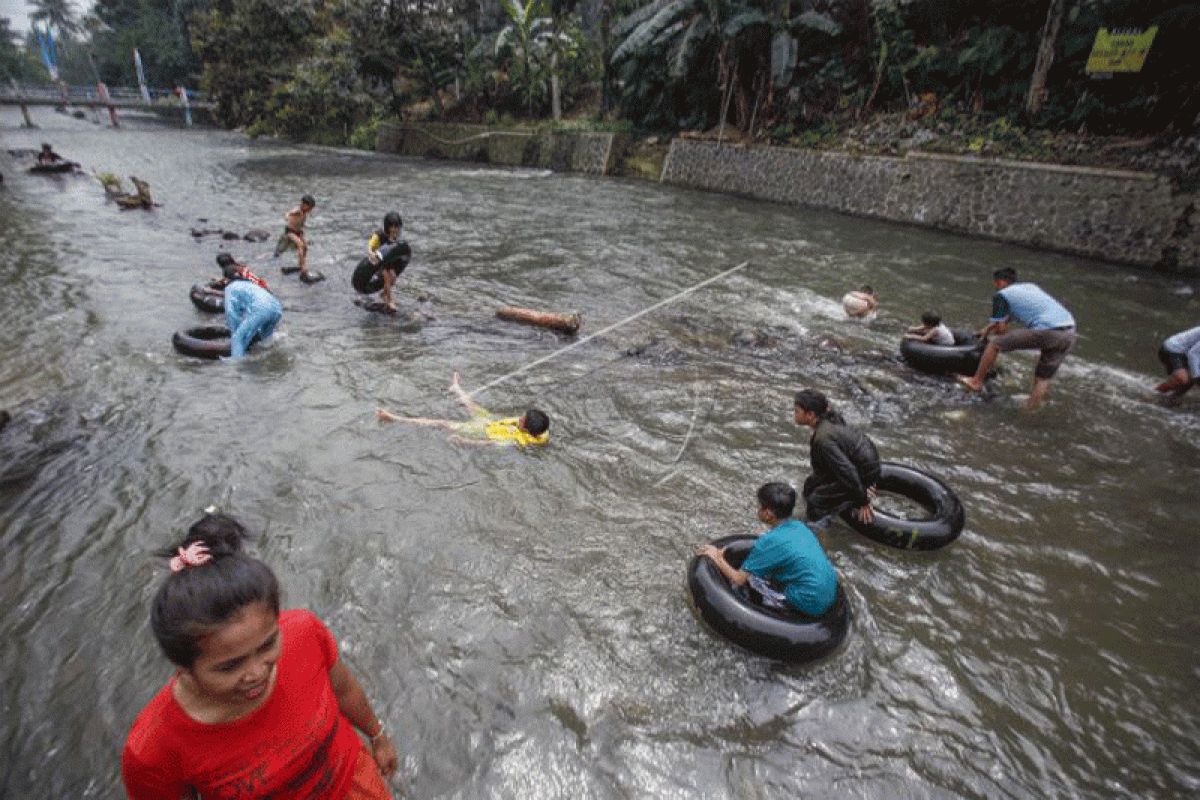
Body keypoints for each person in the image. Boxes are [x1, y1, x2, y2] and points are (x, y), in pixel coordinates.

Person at [121, 513, 399, 800]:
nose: (257, 672)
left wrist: (378, 737)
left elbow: (343, 688)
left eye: (267, 646)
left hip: (354, 784)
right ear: (183, 666)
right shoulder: (154, 748)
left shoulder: (304, 633)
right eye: (230, 666)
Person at [696, 482, 838, 617]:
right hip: (828, 592)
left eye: (760, 506)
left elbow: (738, 579)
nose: (757, 509)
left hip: (808, 602)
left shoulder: (767, 543)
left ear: (768, 514)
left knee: (753, 581)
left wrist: (717, 557)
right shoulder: (800, 527)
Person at [958, 267, 1077, 409]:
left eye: (995, 283)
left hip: (1047, 330)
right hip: (1069, 331)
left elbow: (1001, 329)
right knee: (1043, 376)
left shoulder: (1001, 295)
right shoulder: (1030, 287)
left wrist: (997, 332)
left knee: (995, 344)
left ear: (1001, 282)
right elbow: (1013, 315)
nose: (995, 286)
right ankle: (1032, 407)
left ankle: (976, 381)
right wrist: (987, 329)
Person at [377, 372, 549, 447]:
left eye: (521, 419)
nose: (519, 417)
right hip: (490, 421)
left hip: (479, 430)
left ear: (525, 428)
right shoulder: (537, 429)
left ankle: (394, 419)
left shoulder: (515, 441)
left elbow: (489, 444)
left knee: (441, 423)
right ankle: (456, 388)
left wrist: (463, 442)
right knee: (471, 405)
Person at [794, 388, 880, 525]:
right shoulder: (828, 421)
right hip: (859, 461)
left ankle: (818, 528)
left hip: (863, 471)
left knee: (815, 500)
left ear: (810, 414)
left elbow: (847, 471)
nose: (794, 414)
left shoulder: (823, 438)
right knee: (810, 484)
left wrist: (863, 501)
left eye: (797, 411)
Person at [353, 212, 411, 313]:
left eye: (396, 226)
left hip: (390, 260)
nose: (395, 229)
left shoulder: (396, 237)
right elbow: (370, 247)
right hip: (378, 262)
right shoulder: (378, 235)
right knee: (387, 276)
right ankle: (387, 298)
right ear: (387, 226)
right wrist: (372, 254)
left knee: (392, 277)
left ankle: (384, 294)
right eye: (392, 226)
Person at [224, 272, 282, 359]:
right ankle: (267, 358)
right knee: (266, 339)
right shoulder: (249, 285)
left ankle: (236, 366)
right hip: (276, 308)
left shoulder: (229, 288)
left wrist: (235, 332)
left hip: (262, 309)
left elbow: (231, 313)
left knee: (237, 338)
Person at [275, 194, 322, 283]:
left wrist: (304, 227)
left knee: (305, 247)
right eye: (310, 207)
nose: (310, 210)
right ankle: (303, 268)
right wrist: (288, 217)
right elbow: (288, 214)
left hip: (298, 232)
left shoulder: (304, 214)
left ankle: (302, 265)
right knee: (300, 245)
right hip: (290, 232)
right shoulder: (298, 210)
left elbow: (301, 223)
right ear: (304, 205)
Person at [1154, 325, 1200, 400]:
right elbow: (1193, 353)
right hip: (1172, 350)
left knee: (1190, 378)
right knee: (1183, 379)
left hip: (1186, 354)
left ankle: (1172, 399)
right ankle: (1155, 392)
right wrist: (1196, 376)